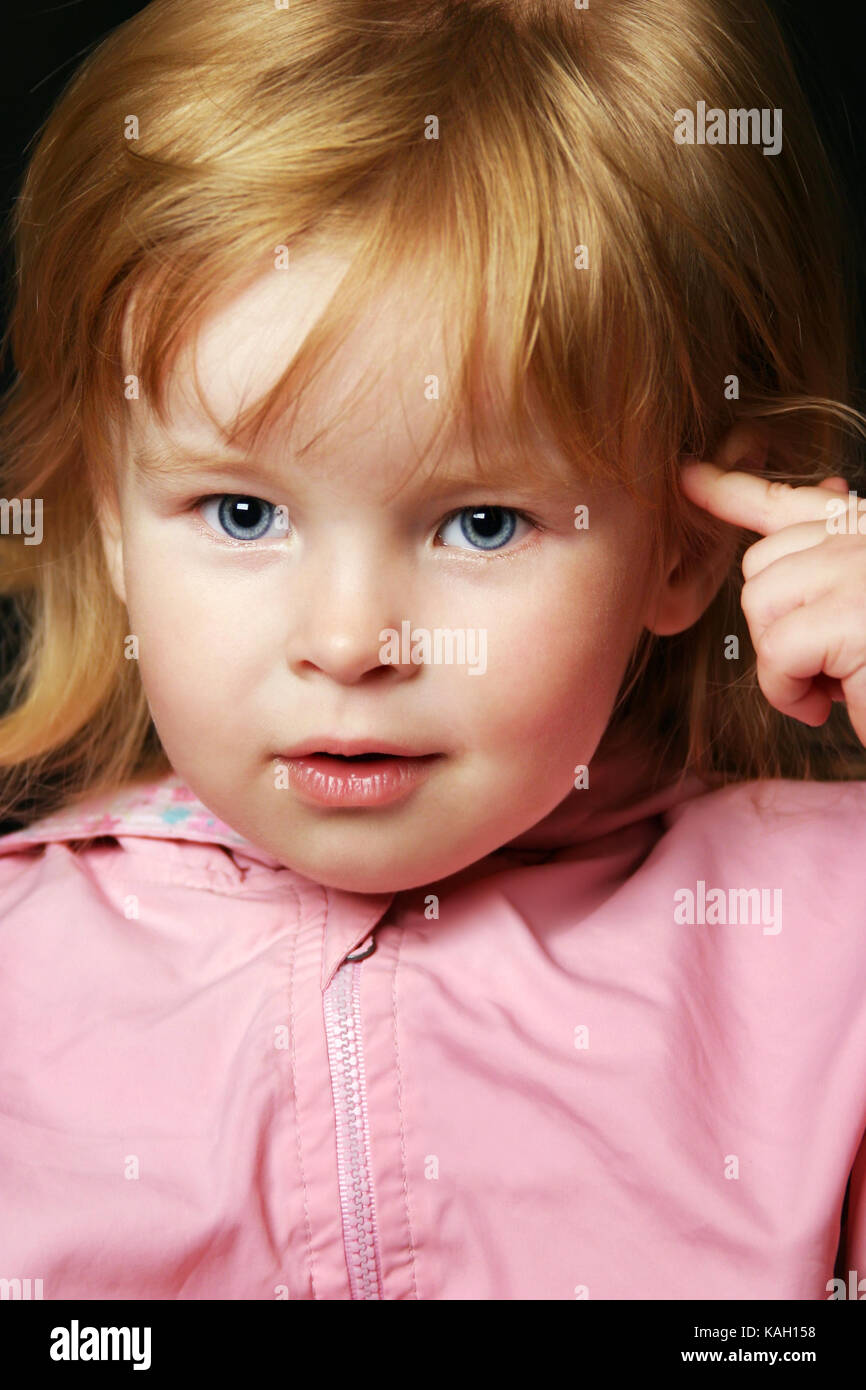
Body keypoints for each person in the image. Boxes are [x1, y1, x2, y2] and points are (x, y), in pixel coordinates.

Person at [1, 0, 865, 1300]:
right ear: (111, 522)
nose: (350, 642)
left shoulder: (826, 950)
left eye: (480, 521)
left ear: (684, 542)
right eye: (242, 512)